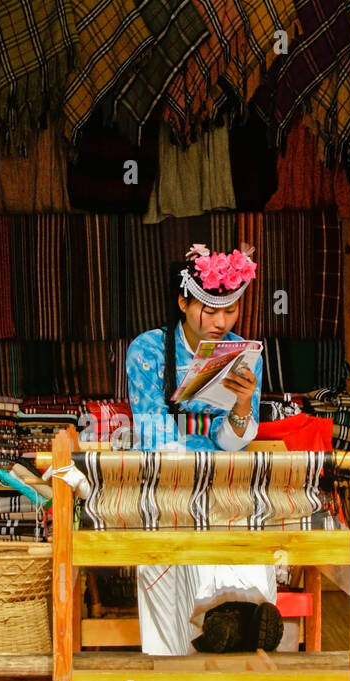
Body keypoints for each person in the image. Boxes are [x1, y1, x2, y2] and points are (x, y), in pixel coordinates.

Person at [124, 244, 283, 655]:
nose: (220, 322)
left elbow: (230, 440)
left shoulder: (244, 355)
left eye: (229, 311)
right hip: (167, 467)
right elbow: (150, 427)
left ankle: (243, 616)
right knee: (184, 522)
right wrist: (196, 470)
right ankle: (203, 629)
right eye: (208, 311)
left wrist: (244, 404)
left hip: (222, 467)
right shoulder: (148, 349)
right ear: (183, 302)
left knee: (246, 519)